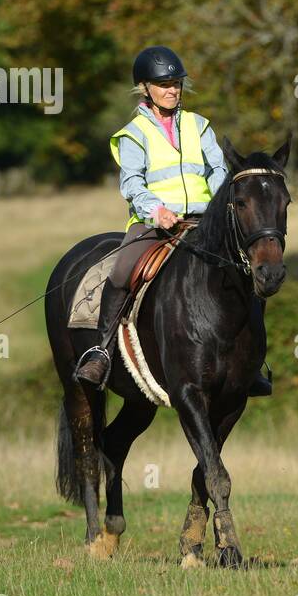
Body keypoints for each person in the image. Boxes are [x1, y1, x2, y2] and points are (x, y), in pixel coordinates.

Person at [72, 45, 272, 397]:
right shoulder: (133, 133)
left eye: (177, 84)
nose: (172, 90)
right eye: (164, 84)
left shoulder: (199, 126)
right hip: (155, 223)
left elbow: (218, 173)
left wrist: (215, 211)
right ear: (145, 88)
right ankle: (100, 351)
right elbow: (131, 182)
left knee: (247, 270)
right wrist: (157, 210)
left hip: (203, 222)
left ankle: (250, 362)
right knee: (122, 271)